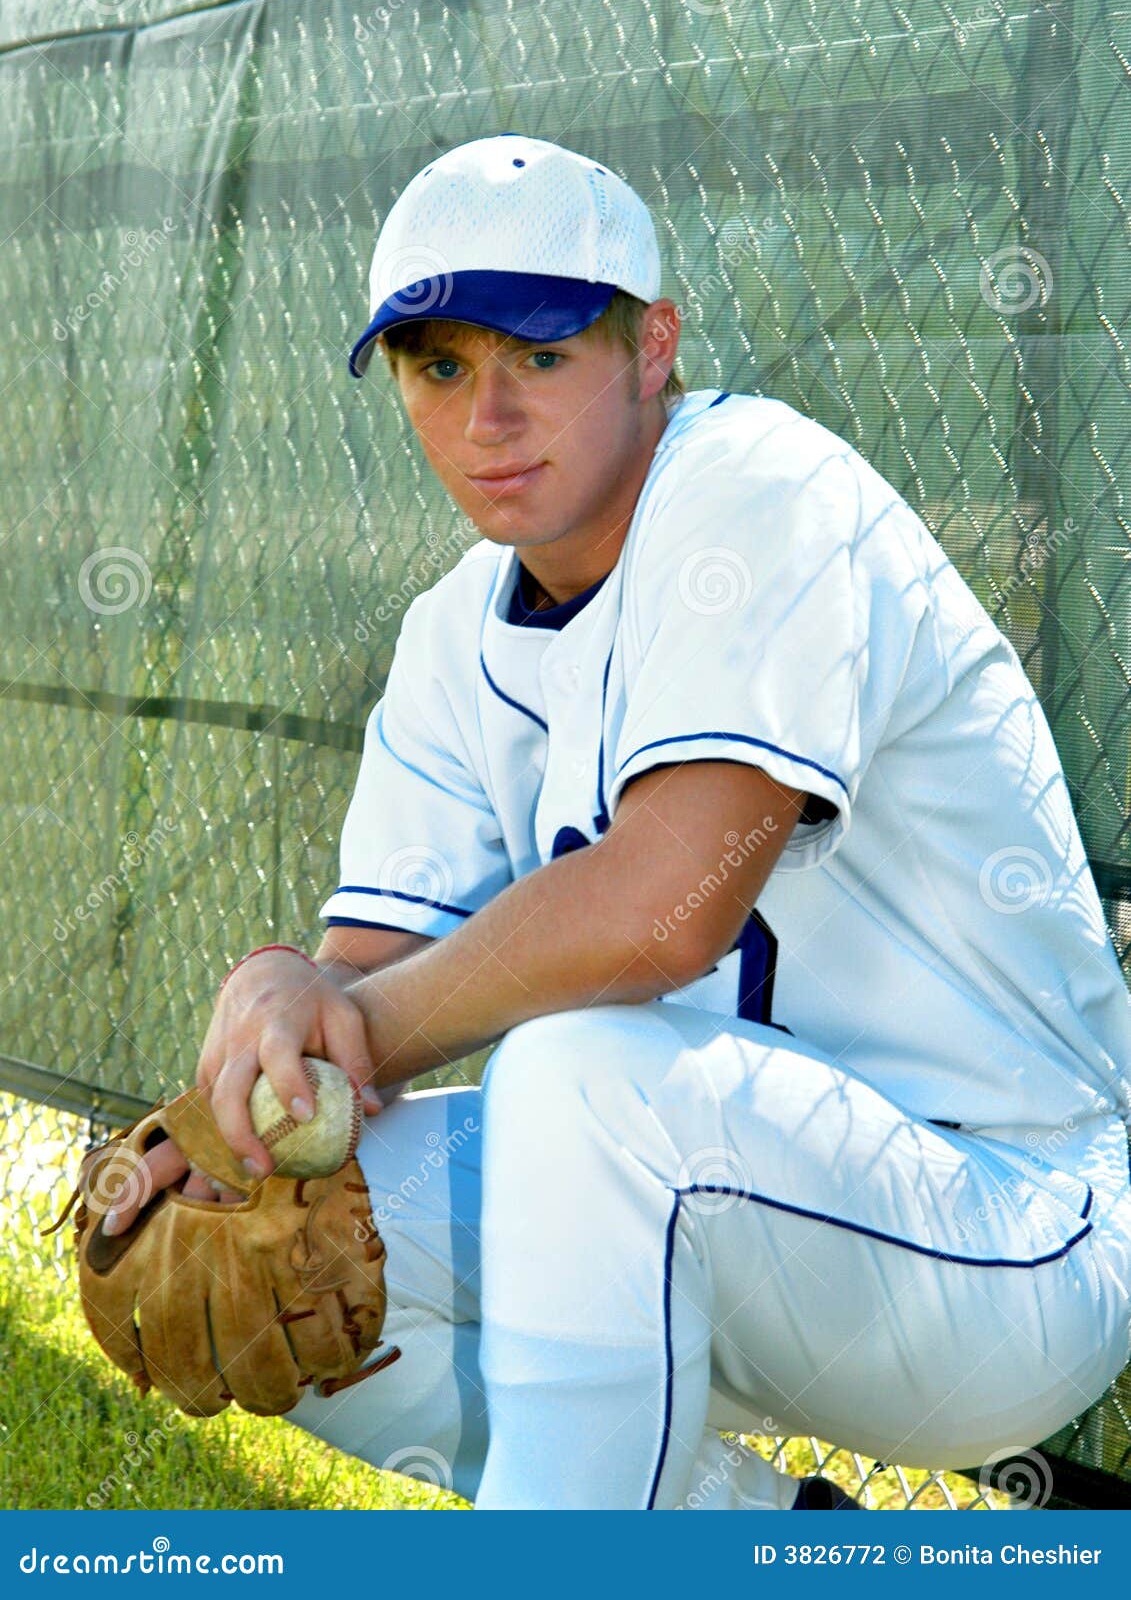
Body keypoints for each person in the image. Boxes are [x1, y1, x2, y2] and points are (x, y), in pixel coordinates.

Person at [109, 134, 1131, 1511]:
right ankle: (782, 1542)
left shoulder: (764, 487)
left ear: (654, 346)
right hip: (702, 1213)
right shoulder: (450, 634)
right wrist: (273, 1032)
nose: (489, 415)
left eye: (540, 355)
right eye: (440, 365)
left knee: (579, 1082)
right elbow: (365, 988)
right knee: (264, 1222)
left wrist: (346, 1022)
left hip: (1005, 1231)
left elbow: (664, 905)